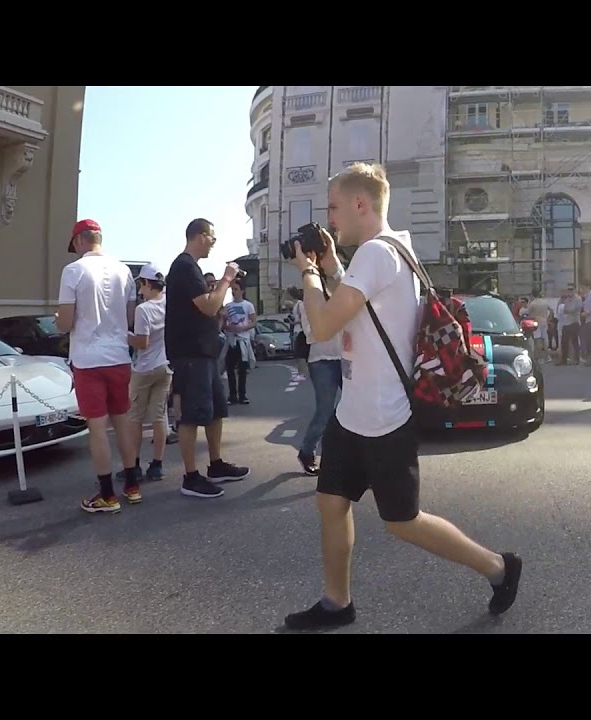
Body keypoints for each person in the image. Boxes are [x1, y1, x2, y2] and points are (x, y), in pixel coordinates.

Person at [283, 162, 521, 630]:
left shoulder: (377, 253)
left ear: (360, 204)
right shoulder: (392, 251)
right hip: (352, 413)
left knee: (402, 522)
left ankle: (498, 567)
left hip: (382, 418)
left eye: (334, 207)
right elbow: (363, 312)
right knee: (331, 503)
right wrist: (331, 265)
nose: (329, 220)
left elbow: (326, 323)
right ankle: (337, 602)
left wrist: (309, 273)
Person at [56, 219, 143, 513]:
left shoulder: (74, 271)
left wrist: (60, 318)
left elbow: (65, 323)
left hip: (87, 359)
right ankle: (132, 486)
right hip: (119, 356)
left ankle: (108, 494)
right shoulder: (124, 270)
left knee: (97, 427)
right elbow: (130, 318)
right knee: (123, 423)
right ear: (99, 238)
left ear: (79, 241)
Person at [165, 219, 251, 498]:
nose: (214, 243)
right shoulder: (184, 267)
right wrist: (226, 279)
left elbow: (212, 307)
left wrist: (224, 285)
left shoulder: (193, 268)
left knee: (215, 411)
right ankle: (190, 477)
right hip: (189, 353)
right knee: (191, 416)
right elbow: (210, 306)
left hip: (205, 352)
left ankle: (216, 464)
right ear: (200, 237)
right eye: (212, 238)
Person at [122, 263, 171, 482]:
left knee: (135, 419)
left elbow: (142, 342)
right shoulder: (168, 303)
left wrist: (125, 335)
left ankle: (133, 467)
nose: (140, 290)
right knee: (159, 417)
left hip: (144, 369)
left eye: (141, 284)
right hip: (165, 365)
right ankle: (157, 465)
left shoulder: (144, 310)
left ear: (146, 283)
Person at [295, 273, 344, 476]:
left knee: (355, 410)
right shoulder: (306, 301)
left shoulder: (344, 295)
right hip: (321, 359)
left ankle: (351, 460)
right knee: (325, 411)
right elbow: (312, 331)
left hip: (346, 357)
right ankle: (307, 452)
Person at [222, 283, 257, 404]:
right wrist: (228, 327)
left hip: (243, 340)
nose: (233, 292)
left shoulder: (248, 305)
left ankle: (242, 395)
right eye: (232, 289)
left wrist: (244, 328)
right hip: (231, 340)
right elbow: (223, 322)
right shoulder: (228, 306)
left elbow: (253, 322)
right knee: (230, 368)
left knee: (242, 370)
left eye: (236, 289)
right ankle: (232, 395)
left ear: (242, 291)